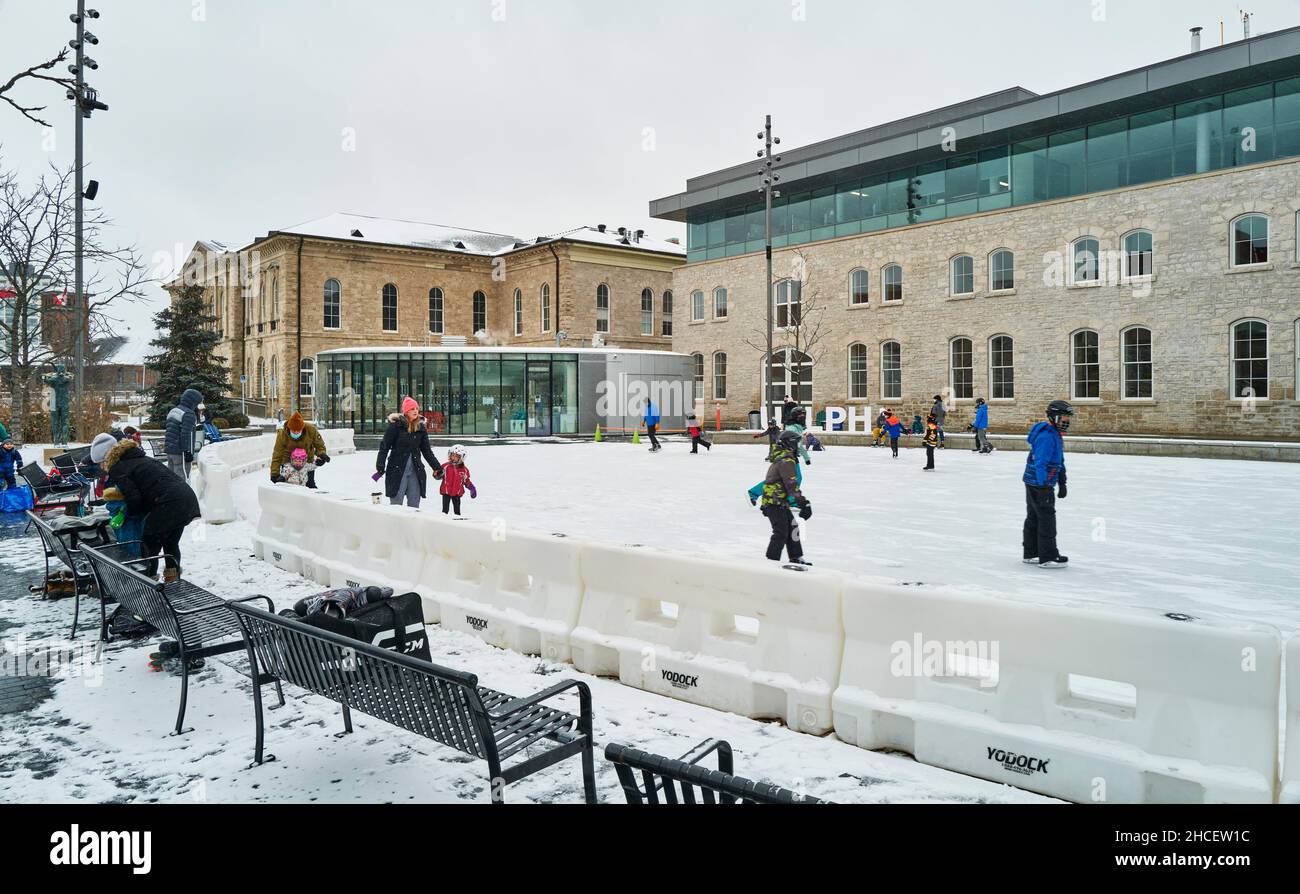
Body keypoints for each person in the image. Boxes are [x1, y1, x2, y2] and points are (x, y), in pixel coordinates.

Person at [97, 432, 201, 582]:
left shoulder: (119, 468)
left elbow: (134, 498)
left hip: (168, 503)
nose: (102, 468)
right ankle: (173, 577)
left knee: (149, 543)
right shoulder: (142, 459)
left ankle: (149, 581)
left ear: (107, 458)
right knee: (170, 543)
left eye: (101, 463)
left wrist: (129, 514)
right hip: (186, 499)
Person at [1023, 400, 1074, 570]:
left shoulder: (1054, 434)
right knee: (1046, 519)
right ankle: (1048, 556)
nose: (1067, 421)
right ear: (1054, 417)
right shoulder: (1047, 436)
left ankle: (1031, 553)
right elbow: (1041, 463)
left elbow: (1059, 460)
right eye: (1064, 417)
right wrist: (1044, 486)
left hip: (1035, 481)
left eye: (1068, 418)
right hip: (1039, 483)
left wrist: (1062, 481)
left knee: (1035, 517)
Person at [376, 397, 443, 509]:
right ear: (406, 411)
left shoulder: (421, 428)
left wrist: (437, 467)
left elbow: (427, 451)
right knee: (396, 505)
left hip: (415, 471)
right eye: (412, 409)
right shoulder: (396, 427)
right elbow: (384, 447)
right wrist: (380, 465)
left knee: (414, 505)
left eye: (417, 408)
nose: (416, 411)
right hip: (397, 470)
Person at [759, 429, 812, 565]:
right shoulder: (786, 460)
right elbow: (791, 485)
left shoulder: (782, 458)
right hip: (775, 502)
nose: (798, 447)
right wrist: (803, 503)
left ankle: (796, 557)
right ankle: (771, 561)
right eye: (796, 443)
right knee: (781, 532)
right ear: (790, 444)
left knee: (793, 528)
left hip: (777, 501)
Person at [270, 411, 331, 487]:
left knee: (310, 484)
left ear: (302, 428)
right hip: (288, 464)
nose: (295, 432)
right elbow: (277, 454)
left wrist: (321, 455)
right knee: (286, 485)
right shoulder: (282, 435)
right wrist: (274, 473)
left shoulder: (311, 430)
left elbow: (320, 445)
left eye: (298, 431)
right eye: (293, 430)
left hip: (307, 462)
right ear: (289, 428)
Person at [164, 388, 203, 480]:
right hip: (180, 452)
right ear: (193, 401)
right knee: (182, 479)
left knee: (172, 479)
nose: (198, 405)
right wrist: (187, 451)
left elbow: (170, 431)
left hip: (170, 450)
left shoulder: (173, 411)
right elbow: (186, 434)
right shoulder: (188, 414)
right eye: (197, 402)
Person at [439, 444, 476, 515]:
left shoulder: (464, 470)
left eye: (456, 456)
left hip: (457, 493)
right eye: (452, 455)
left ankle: (458, 520)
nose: (453, 457)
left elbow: (466, 481)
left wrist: (472, 488)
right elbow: (438, 476)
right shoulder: (445, 466)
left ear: (462, 458)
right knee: (445, 510)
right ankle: (443, 519)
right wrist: (436, 474)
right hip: (446, 492)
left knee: (457, 510)